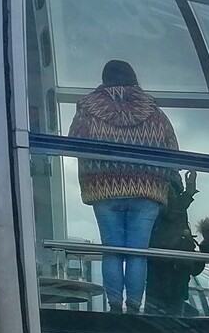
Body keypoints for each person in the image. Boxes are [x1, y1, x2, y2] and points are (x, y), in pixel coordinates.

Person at [68, 60, 178, 313]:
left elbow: (73, 142)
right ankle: (134, 306)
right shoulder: (153, 110)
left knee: (112, 250)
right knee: (138, 252)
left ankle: (114, 305)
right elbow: (172, 148)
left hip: (103, 186)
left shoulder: (88, 109)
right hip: (147, 189)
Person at [143, 168, 204, 316]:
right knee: (170, 313)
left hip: (164, 264)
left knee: (159, 312)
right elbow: (171, 212)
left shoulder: (159, 187)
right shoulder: (165, 187)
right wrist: (188, 193)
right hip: (169, 264)